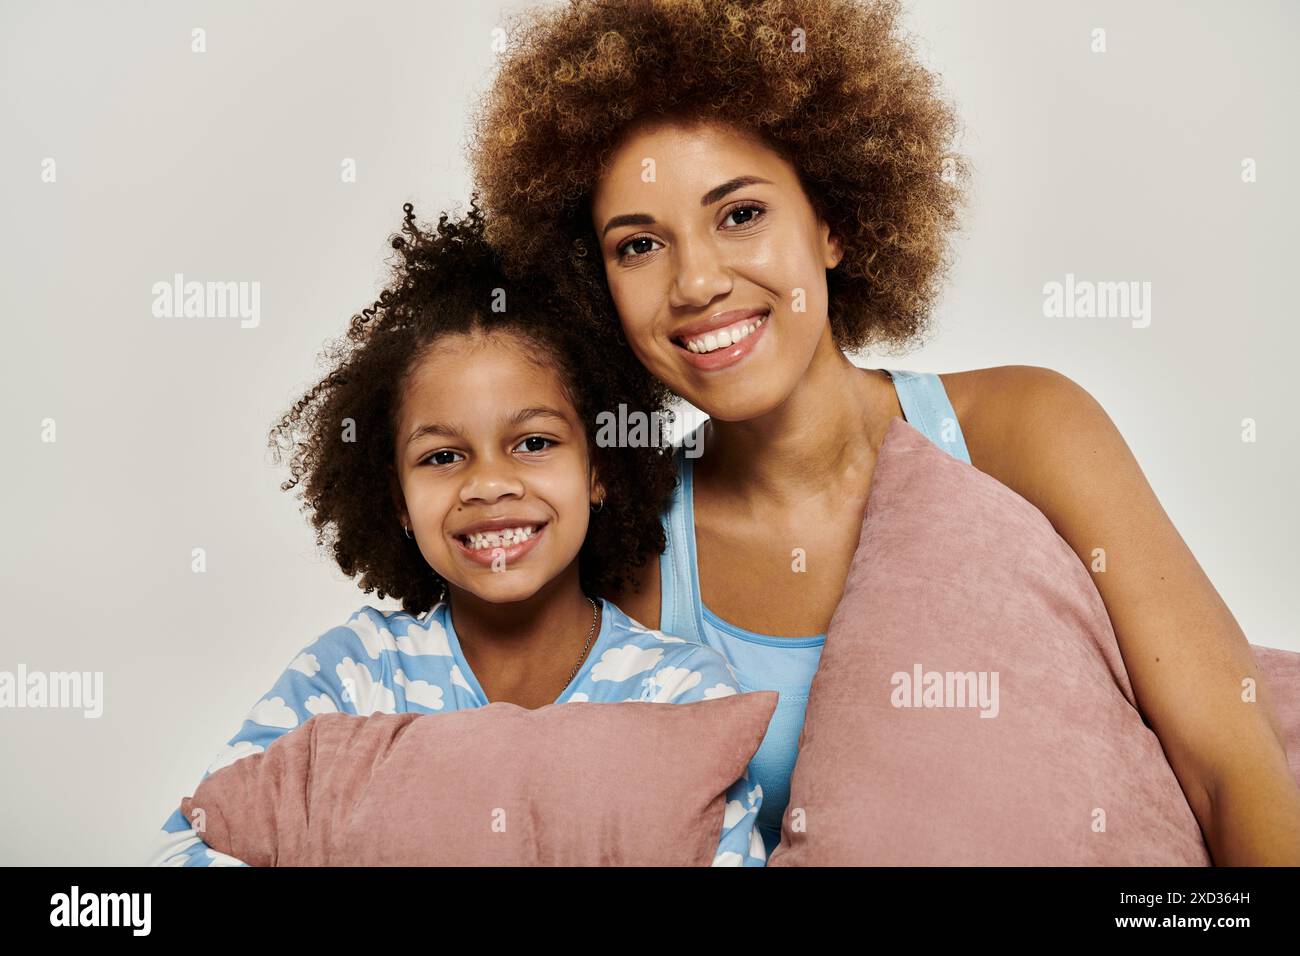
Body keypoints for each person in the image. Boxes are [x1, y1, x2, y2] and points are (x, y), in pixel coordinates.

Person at [468, 0, 1300, 862]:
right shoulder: (631, 556)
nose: (697, 282)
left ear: (832, 222)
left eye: (740, 214)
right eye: (639, 246)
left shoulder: (1026, 433)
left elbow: (1231, 767)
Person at [148, 201, 767, 867]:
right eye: (443, 457)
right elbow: (189, 846)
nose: (488, 485)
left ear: (599, 468)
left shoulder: (676, 691)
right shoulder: (353, 674)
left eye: (533, 442)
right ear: (400, 502)